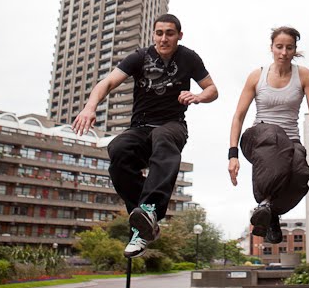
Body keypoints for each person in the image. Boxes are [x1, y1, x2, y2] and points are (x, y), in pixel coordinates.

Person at [73, 14, 218, 258]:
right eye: (159, 33)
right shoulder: (139, 58)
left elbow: (212, 89)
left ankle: (149, 210)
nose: (164, 39)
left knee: (163, 137)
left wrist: (197, 97)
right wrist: (89, 107)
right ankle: (144, 221)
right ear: (153, 35)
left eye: (169, 33)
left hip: (172, 125)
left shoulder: (189, 58)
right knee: (118, 148)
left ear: (179, 36)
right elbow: (107, 83)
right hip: (140, 127)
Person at [228, 26, 309, 243]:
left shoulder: (303, 75)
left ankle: (271, 212)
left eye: (289, 48)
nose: (284, 53)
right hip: (258, 137)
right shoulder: (257, 76)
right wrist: (232, 155)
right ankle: (265, 202)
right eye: (279, 47)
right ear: (271, 48)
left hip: (290, 140)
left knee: (301, 172)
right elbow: (238, 116)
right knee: (274, 134)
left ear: (295, 50)